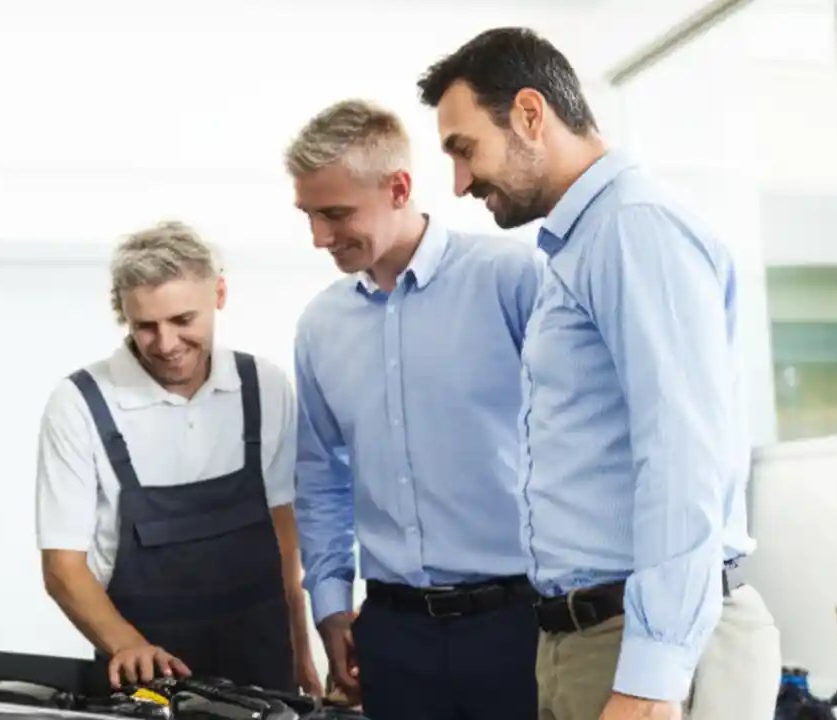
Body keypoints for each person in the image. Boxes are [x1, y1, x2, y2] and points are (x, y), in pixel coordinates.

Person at [416, 28, 782, 720]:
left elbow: (682, 456)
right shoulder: (579, 246)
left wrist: (652, 679)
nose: (460, 182)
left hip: (650, 646)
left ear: (530, 114)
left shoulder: (634, 229)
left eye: (464, 150)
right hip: (584, 638)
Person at [286, 99, 546, 719]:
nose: (320, 237)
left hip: (520, 623)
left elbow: (582, 438)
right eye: (309, 215)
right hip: (393, 635)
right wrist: (329, 606)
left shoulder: (513, 279)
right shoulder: (321, 325)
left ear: (399, 187)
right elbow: (322, 476)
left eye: (336, 213)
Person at [34, 220, 320, 696]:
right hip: (146, 679)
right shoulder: (80, 404)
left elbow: (284, 537)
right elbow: (63, 568)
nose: (166, 344)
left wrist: (301, 651)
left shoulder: (263, 387)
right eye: (146, 326)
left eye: (183, 320)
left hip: (263, 668)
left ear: (219, 294)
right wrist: (129, 647)